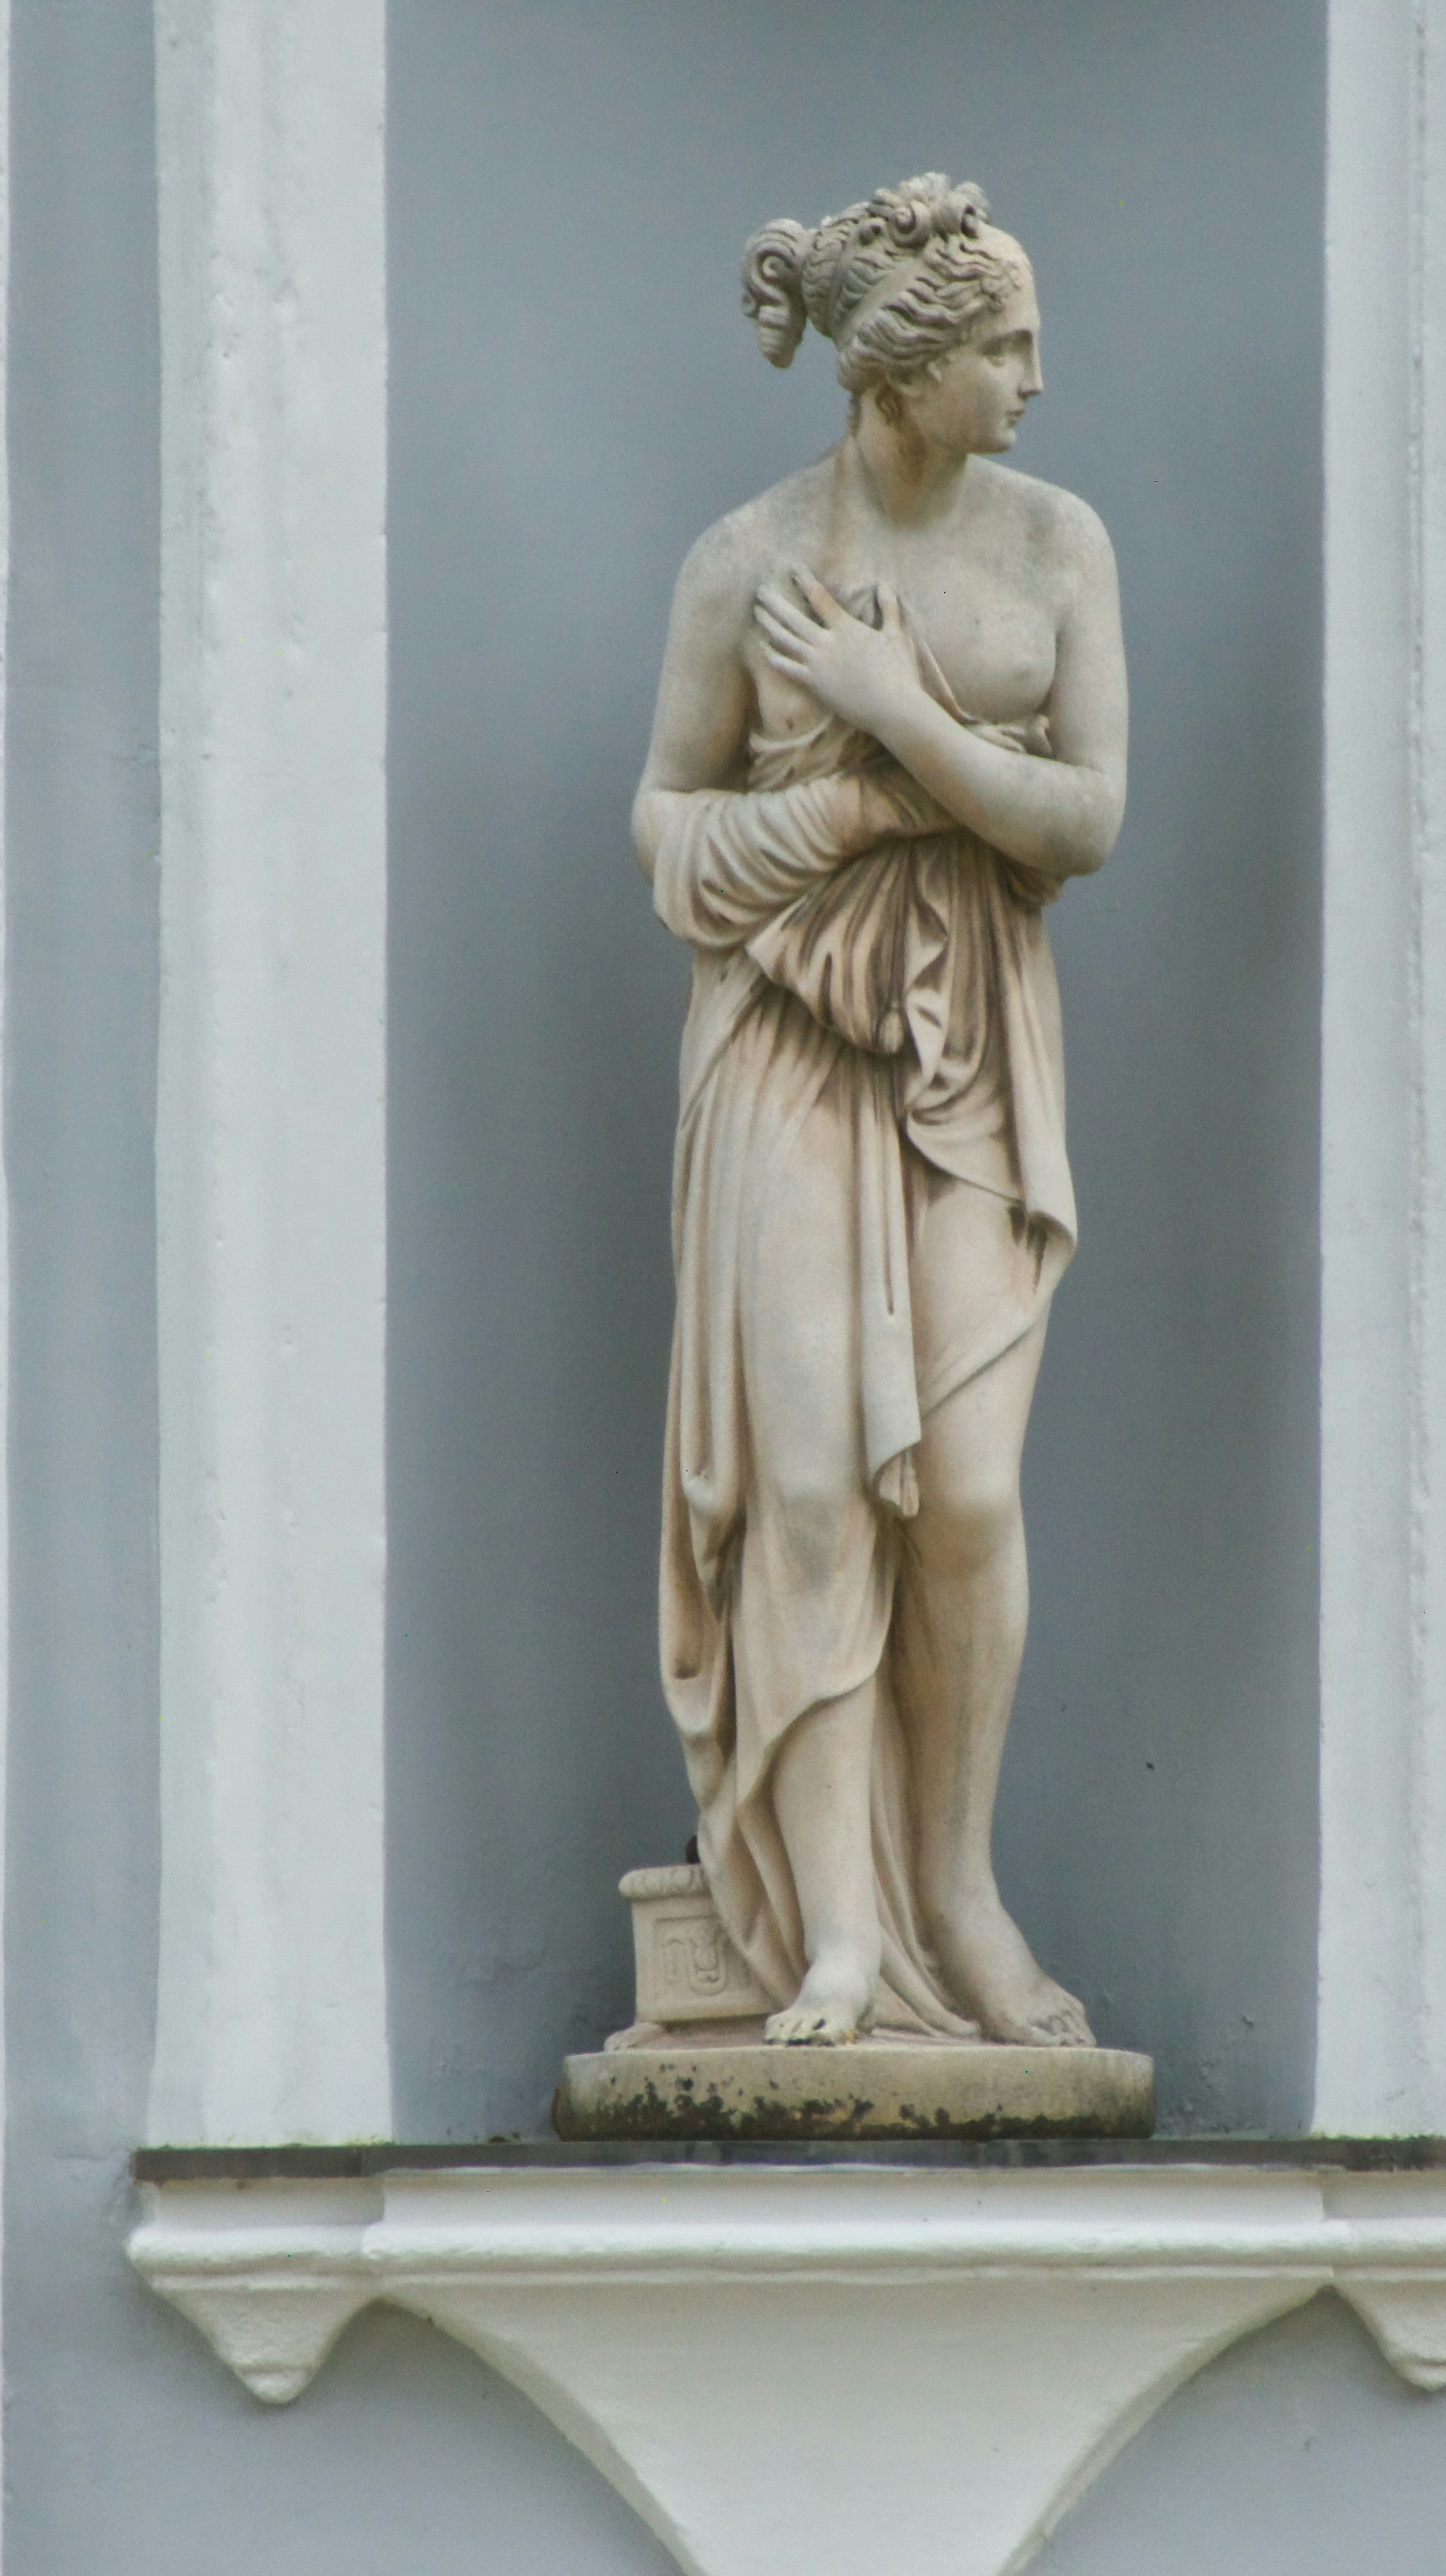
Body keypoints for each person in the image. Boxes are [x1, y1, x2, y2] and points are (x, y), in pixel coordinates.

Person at [631, 174, 1130, 2049]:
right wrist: (850, 811)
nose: (1037, 379)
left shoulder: (1058, 543)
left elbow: (1085, 820)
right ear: (902, 375)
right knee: (819, 1492)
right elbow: (666, 832)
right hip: (781, 1045)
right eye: (1007, 350)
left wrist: (891, 718)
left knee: (971, 1490)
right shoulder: (738, 560)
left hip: (974, 1052)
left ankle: (962, 1894)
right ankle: (842, 1933)